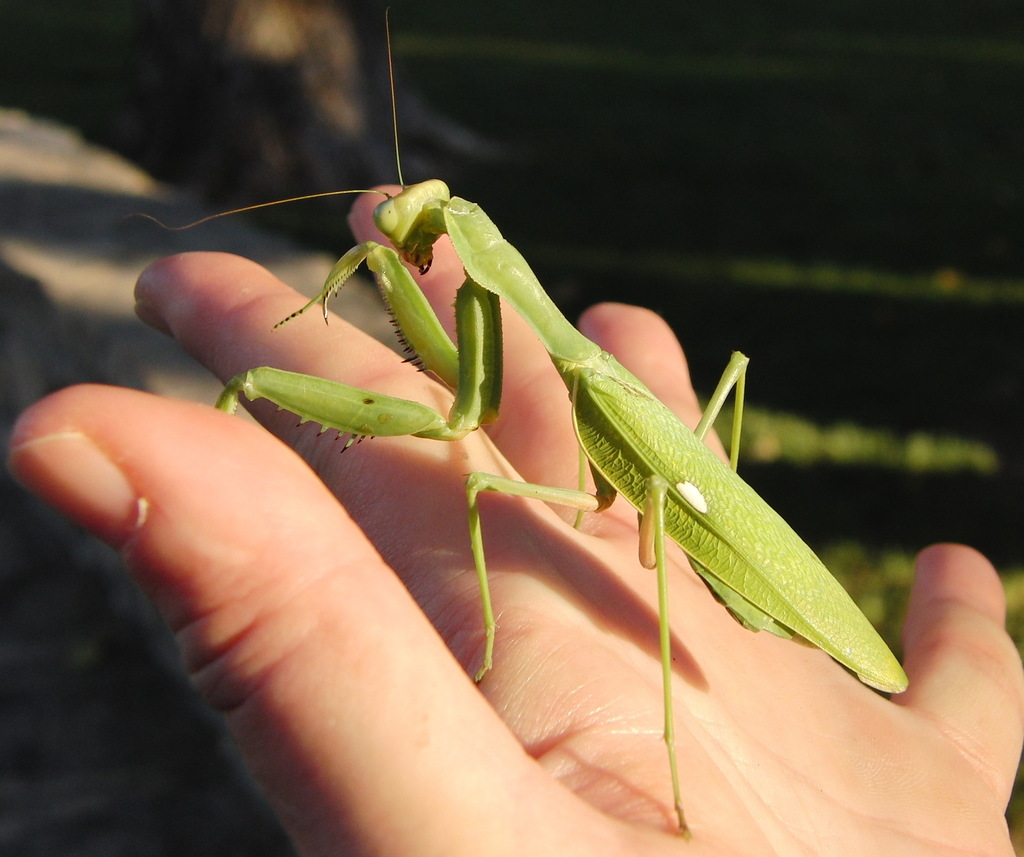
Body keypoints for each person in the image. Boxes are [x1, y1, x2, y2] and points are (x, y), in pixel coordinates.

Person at [8, 190, 1023, 856]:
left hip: (709, 530)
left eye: (416, 232)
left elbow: (464, 413)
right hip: (677, 490)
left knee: (497, 488)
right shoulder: (551, 344)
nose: (403, 243)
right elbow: (470, 395)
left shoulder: (574, 368)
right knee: (620, 445)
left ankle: (644, 721)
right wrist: (375, 264)